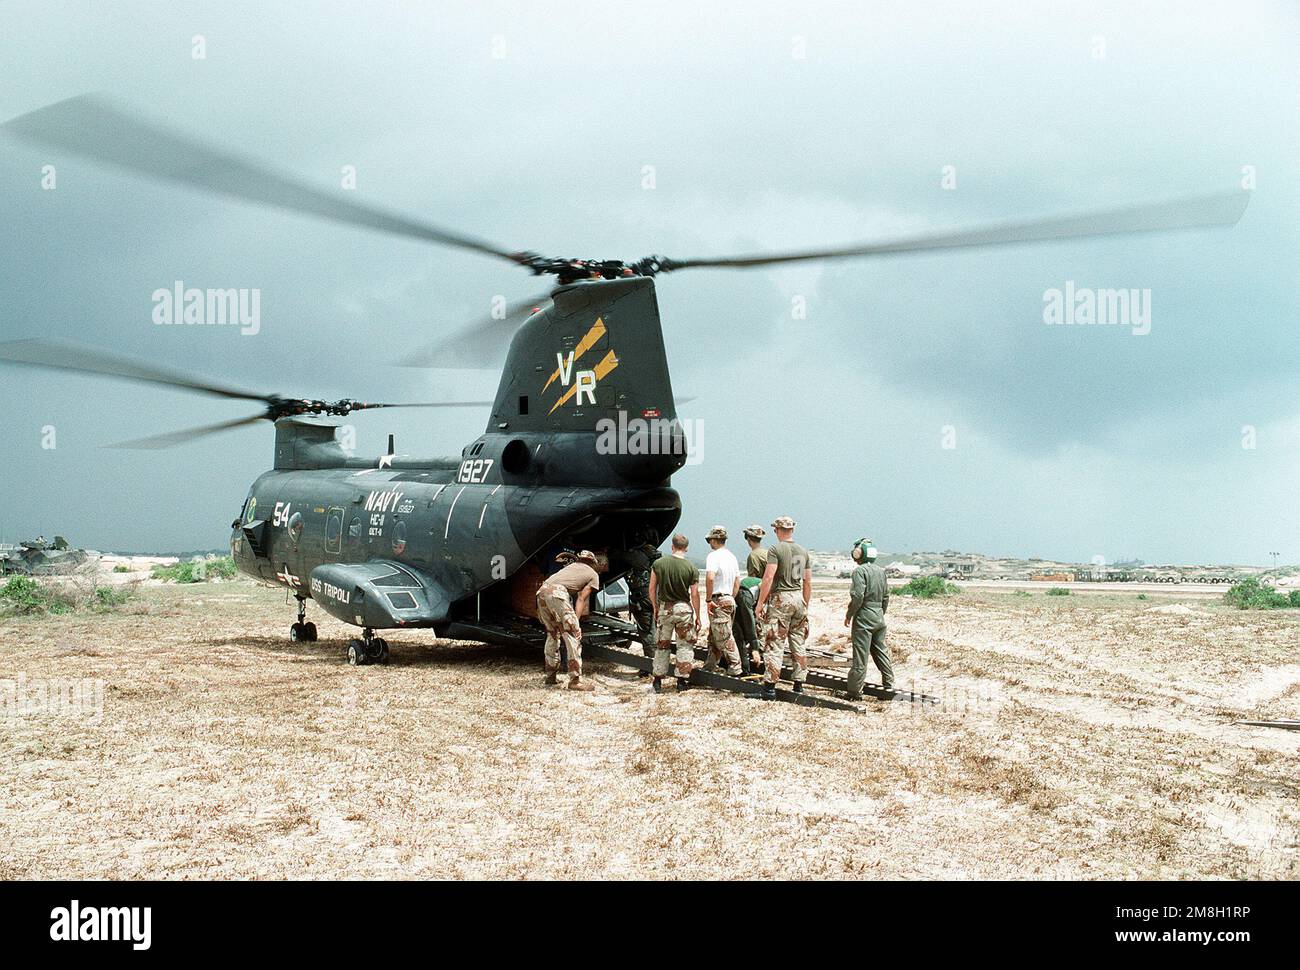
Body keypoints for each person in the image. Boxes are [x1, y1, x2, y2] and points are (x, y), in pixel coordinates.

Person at [753, 516, 811, 701]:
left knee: (774, 642)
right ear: (792, 530)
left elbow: (768, 577)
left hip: (782, 599)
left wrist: (760, 603)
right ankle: (799, 685)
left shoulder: (775, 549)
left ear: (777, 530)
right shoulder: (803, 551)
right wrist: (805, 605)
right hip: (798, 597)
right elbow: (807, 581)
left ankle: (769, 688)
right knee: (798, 642)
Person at [536, 550, 601, 691]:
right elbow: (581, 599)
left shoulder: (570, 567)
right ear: (592, 562)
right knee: (573, 635)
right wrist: (575, 623)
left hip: (542, 591)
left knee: (552, 634)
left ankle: (551, 676)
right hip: (557, 593)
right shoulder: (593, 574)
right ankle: (575, 681)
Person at [648, 533, 699, 693]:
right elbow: (695, 594)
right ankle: (681, 681)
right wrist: (697, 615)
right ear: (686, 548)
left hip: (665, 608)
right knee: (685, 645)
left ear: (672, 546)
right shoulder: (691, 567)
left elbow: (652, 588)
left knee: (662, 645)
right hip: (684, 609)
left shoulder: (659, 564)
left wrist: (655, 607)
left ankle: (657, 680)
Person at [844, 538, 893, 698]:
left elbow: (858, 596)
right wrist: (880, 613)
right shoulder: (881, 571)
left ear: (859, 554)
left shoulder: (859, 571)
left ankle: (854, 691)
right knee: (881, 651)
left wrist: (849, 614)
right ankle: (889, 684)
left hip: (864, 616)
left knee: (860, 655)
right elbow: (886, 597)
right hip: (879, 616)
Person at [701, 526, 743, 673]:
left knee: (724, 637)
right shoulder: (732, 557)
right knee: (715, 636)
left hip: (718, 599)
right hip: (729, 599)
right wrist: (731, 597)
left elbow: (710, 578)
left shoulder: (713, 556)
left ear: (714, 540)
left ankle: (736, 667)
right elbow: (737, 581)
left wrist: (708, 600)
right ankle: (710, 666)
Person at [622, 527, 661, 663]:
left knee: (646, 632)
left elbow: (619, 555)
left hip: (643, 598)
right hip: (657, 598)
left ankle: (651, 664)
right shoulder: (659, 557)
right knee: (655, 629)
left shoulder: (638, 556)